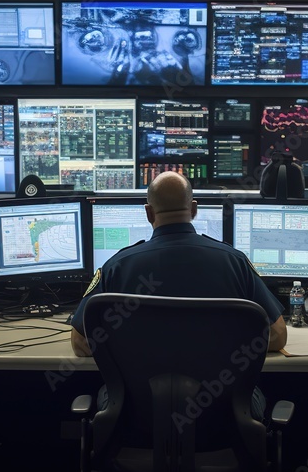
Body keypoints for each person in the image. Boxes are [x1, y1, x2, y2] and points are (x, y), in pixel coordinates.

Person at [70, 171, 287, 421]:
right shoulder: (235, 262)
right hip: (224, 423)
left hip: (136, 423)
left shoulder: (116, 266)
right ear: (194, 209)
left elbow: (80, 342)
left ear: (148, 213)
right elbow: (279, 335)